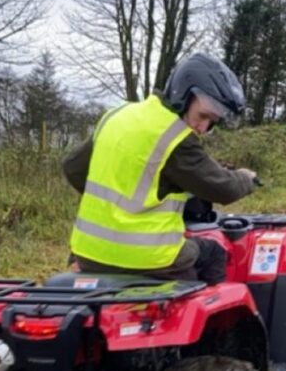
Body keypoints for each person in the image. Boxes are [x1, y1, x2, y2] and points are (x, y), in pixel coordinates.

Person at [62, 54, 257, 284]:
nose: (203, 128)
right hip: (149, 261)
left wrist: (114, 207)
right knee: (214, 253)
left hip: (87, 254)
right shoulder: (175, 137)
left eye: (212, 122)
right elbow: (222, 188)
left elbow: (73, 169)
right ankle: (220, 320)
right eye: (203, 116)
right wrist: (246, 178)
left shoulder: (117, 116)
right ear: (184, 96)